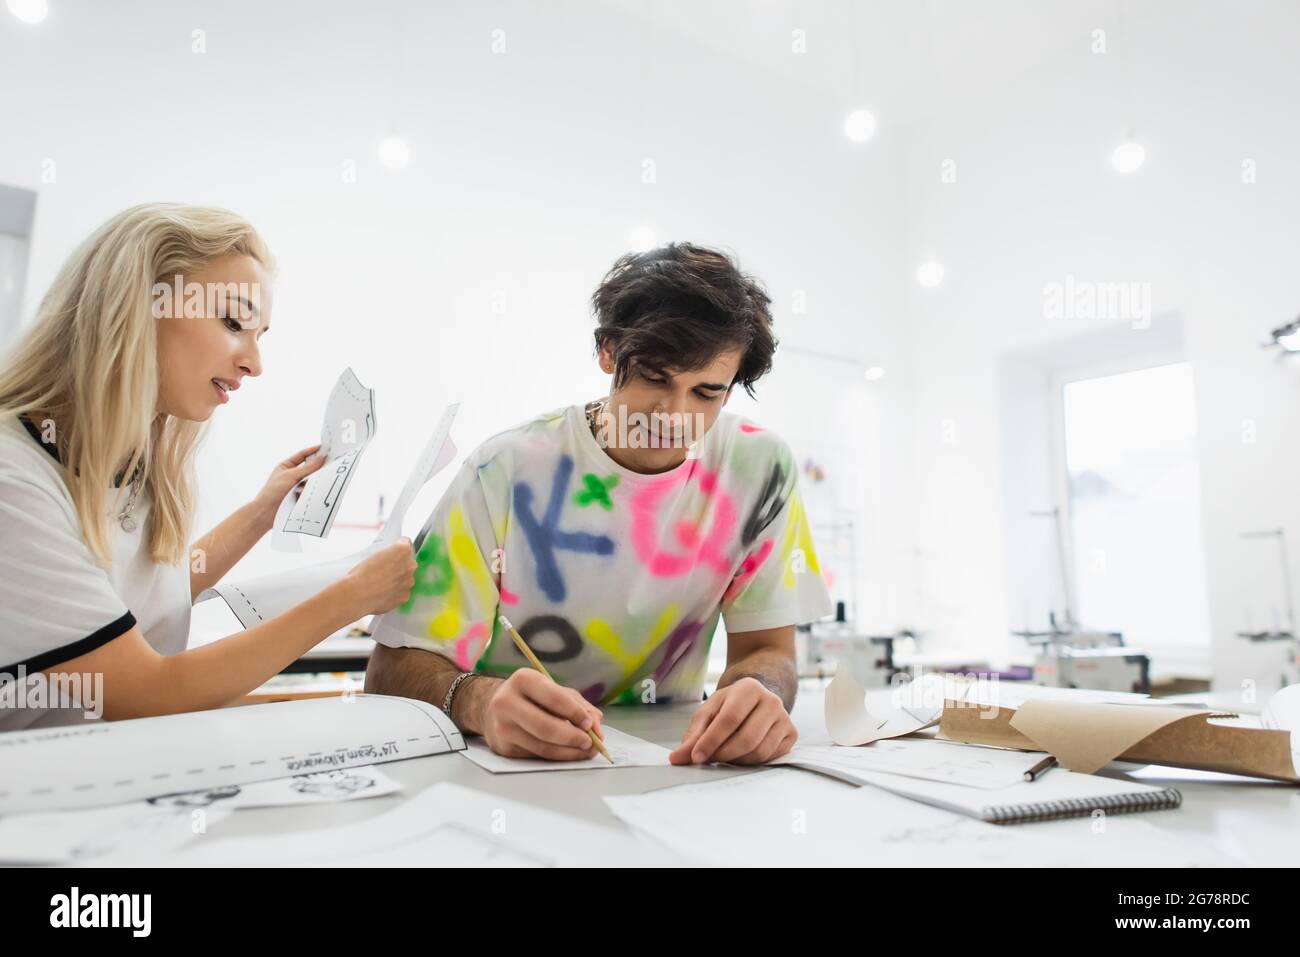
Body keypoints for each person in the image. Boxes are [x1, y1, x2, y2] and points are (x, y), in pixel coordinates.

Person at [366, 242, 831, 765]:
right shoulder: (505, 470)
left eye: (706, 392)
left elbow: (766, 650)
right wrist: (479, 700)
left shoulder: (758, 467)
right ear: (608, 351)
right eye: (656, 377)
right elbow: (389, 672)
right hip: (508, 773)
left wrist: (762, 695)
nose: (674, 416)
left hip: (670, 774)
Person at [0, 203, 415, 730]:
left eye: (259, 336)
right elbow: (146, 693)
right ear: (140, 304)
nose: (254, 363)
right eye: (232, 322)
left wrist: (261, 513)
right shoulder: (13, 480)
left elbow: (149, 592)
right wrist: (351, 598)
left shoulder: (128, 468)